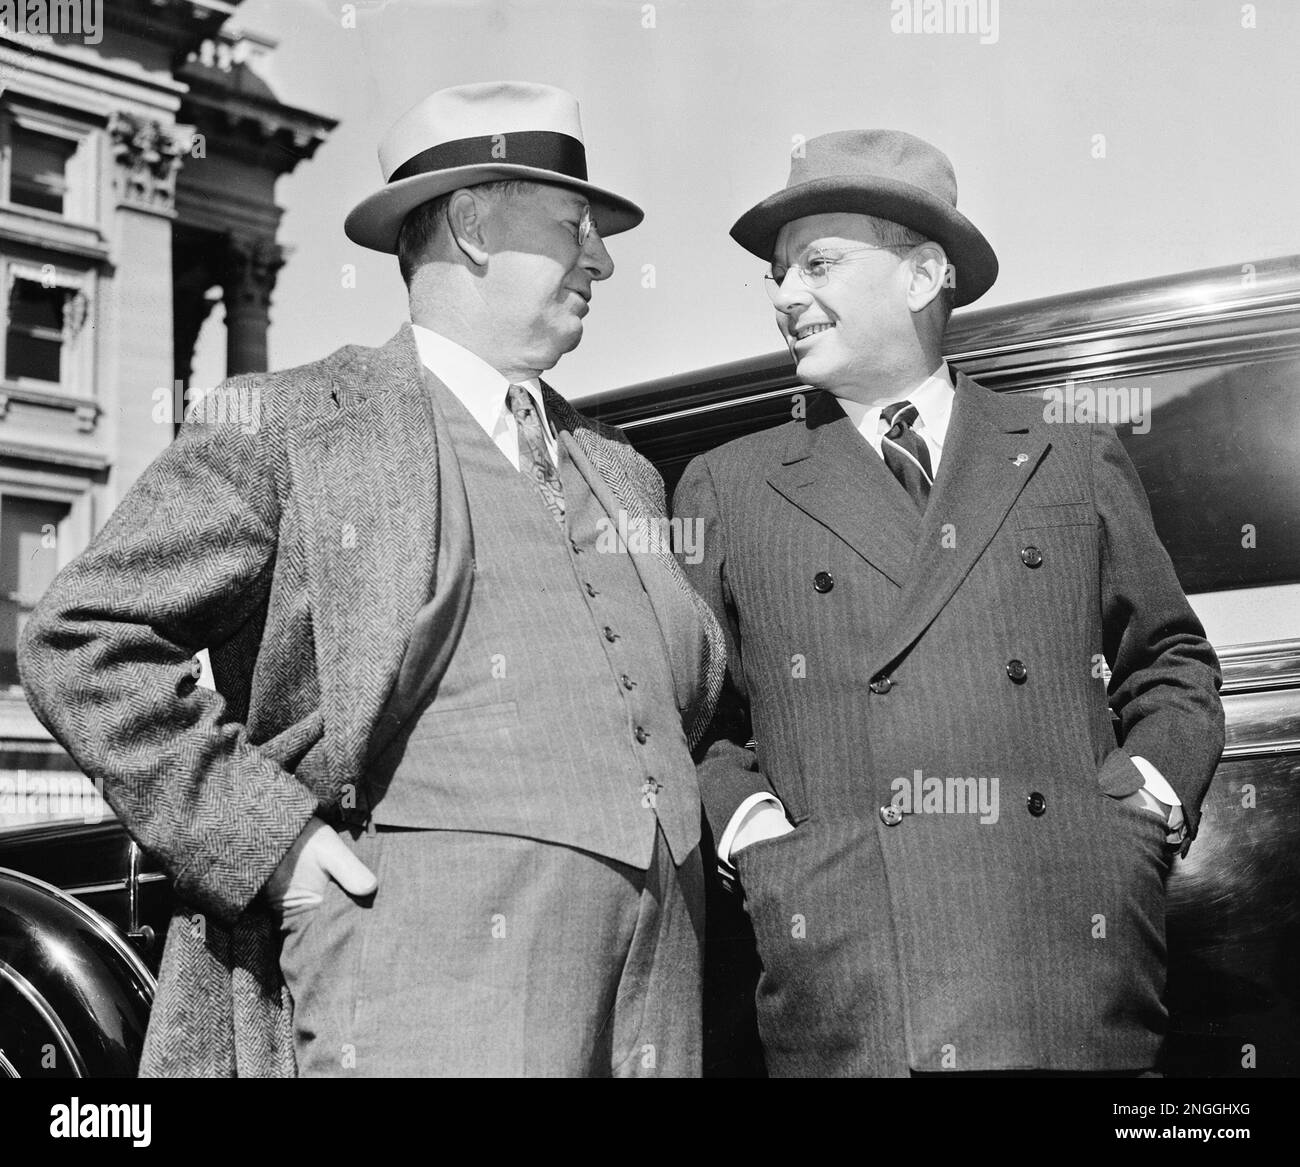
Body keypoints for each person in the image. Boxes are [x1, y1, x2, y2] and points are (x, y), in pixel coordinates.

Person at [20, 81, 723, 1078]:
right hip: (422, 982)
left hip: (660, 984)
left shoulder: (621, 469)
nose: (602, 259)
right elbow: (81, 639)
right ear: (476, 225)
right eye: (575, 226)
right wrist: (274, 847)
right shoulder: (286, 425)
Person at [672, 129, 1225, 1076]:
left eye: (817, 263)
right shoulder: (728, 486)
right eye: (775, 274)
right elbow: (693, 720)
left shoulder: (1065, 448)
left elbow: (1171, 664)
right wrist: (760, 842)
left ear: (924, 274)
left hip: (1062, 961)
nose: (784, 297)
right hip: (859, 976)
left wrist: (1140, 815)